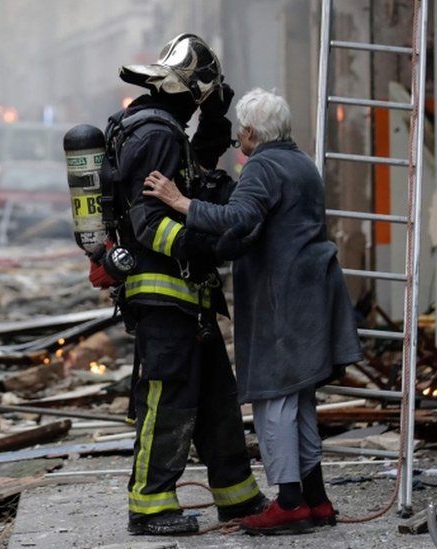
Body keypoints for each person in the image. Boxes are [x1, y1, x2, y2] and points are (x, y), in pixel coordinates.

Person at [143, 88, 364, 535]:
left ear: (247, 131)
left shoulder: (262, 165)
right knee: (300, 399)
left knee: (274, 399)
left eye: (238, 132)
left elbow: (237, 219)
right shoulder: (301, 162)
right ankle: (316, 500)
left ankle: (288, 502)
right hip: (312, 294)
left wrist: (178, 201)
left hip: (283, 300)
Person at [104, 33, 267, 536]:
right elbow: (153, 223)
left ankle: (238, 497)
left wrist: (217, 120)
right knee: (168, 398)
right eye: (202, 99)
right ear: (189, 91)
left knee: (218, 396)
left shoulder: (162, 127)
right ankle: (150, 504)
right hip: (163, 294)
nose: (201, 110)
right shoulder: (158, 133)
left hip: (187, 299)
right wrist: (209, 244)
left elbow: (196, 170)